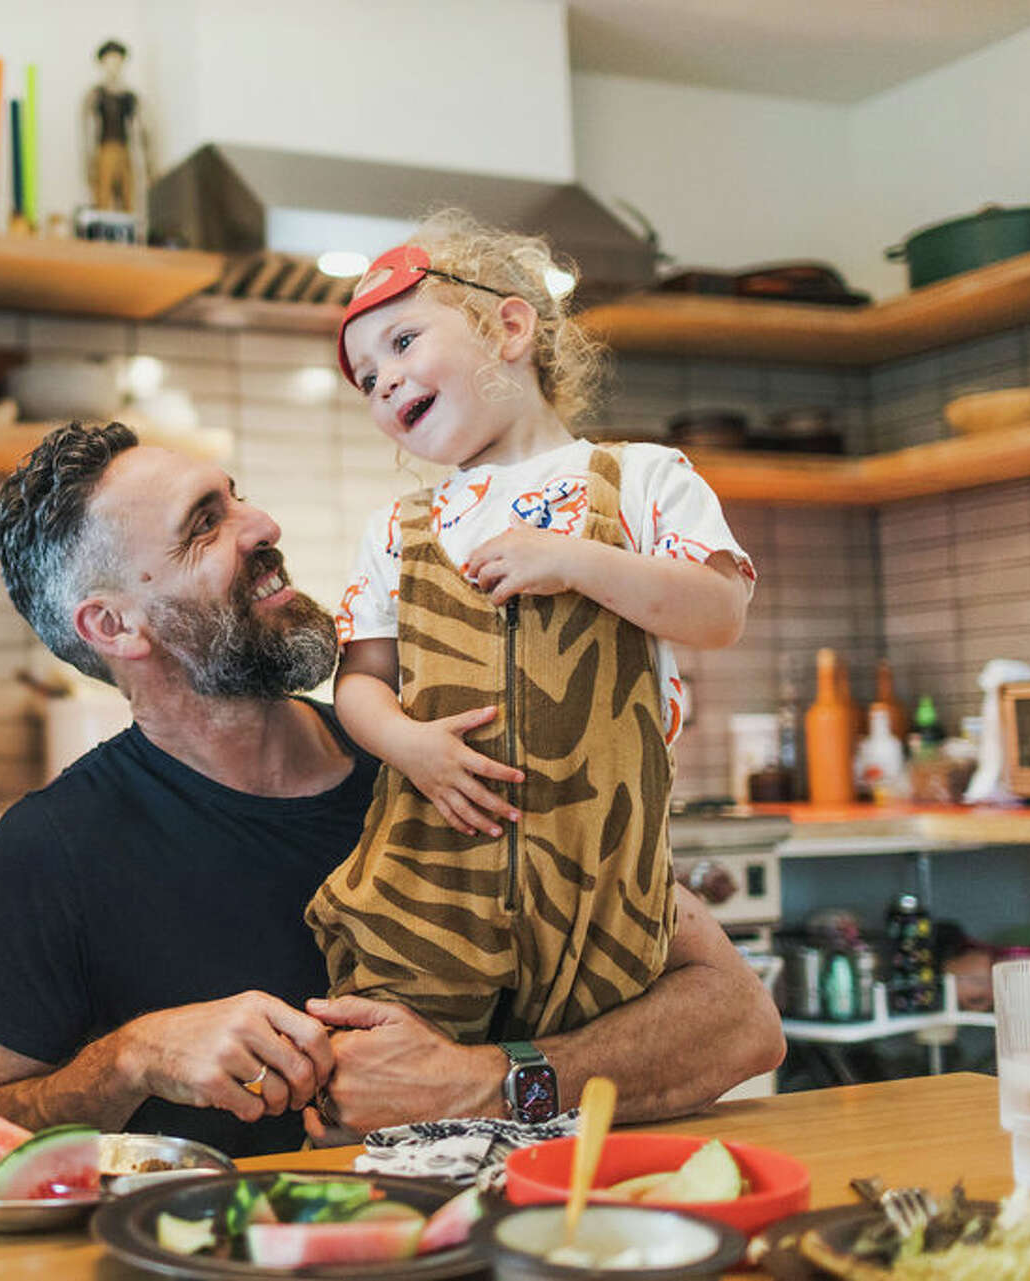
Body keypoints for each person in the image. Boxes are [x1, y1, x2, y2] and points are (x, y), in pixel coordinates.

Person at [0, 420, 782, 1158]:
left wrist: (489, 1082)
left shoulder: (443, 755)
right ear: (114, 627)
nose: (262, 524)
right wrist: (130, 1058)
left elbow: (741, 1018)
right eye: (204, 525)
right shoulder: (57, 848)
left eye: (237, 496)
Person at [311, 216, 757, 1049]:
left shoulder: (643, 477)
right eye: (368, 379)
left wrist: (580, 560)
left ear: (509, 327)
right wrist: (407, 745)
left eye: (404, 341)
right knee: (409, 1103)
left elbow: (718, 611)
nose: (387, 382)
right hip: (434, 877)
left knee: (592, 1106)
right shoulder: (396, 529)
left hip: (601, 883)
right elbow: (360, 679)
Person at [82, 39, 153, 214]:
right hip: (104, 150)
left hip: (125, 150)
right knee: (103, 199)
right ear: (102, 64)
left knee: (128, 199)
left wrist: (148, 163)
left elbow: (141, 130)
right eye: (109, 61)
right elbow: (87, 131)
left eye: (117, 61)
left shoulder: (130, 96)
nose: (113, 66)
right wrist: (88, 161)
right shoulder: (95, 95)